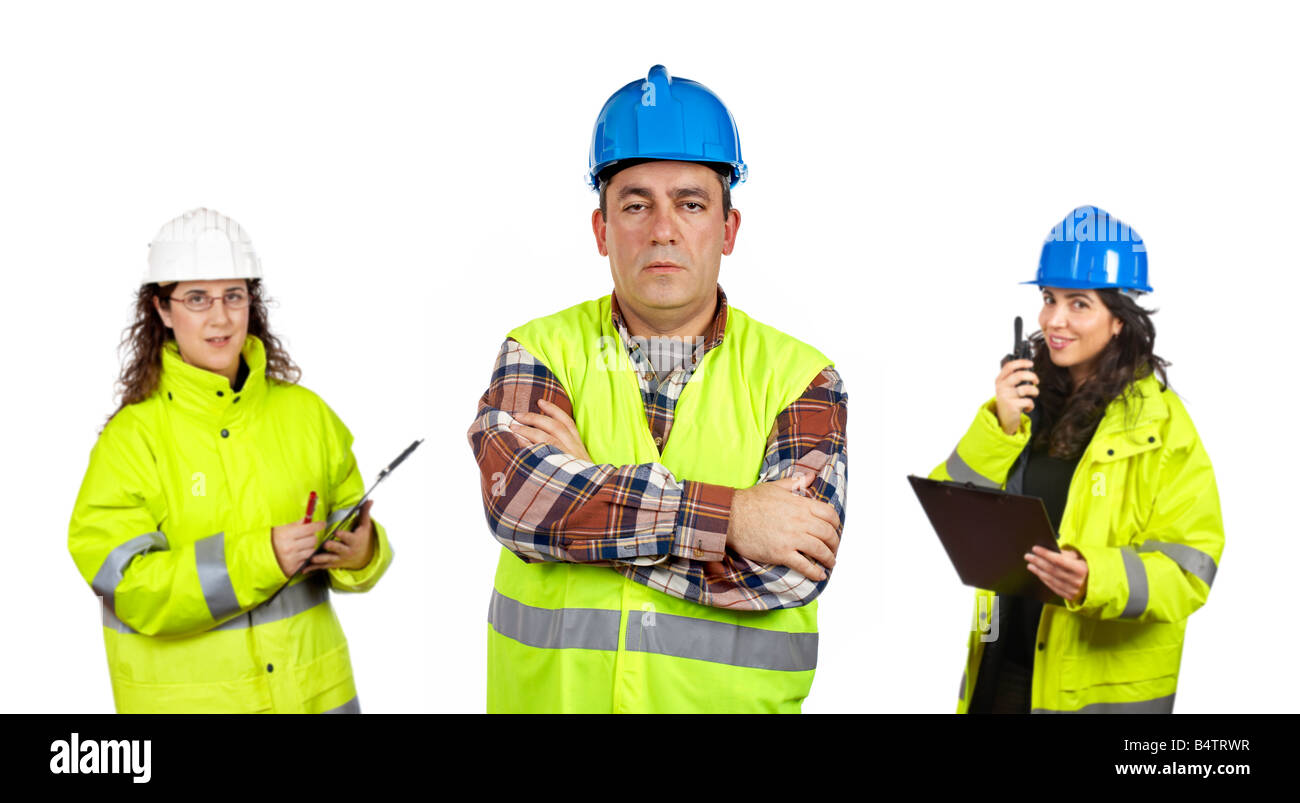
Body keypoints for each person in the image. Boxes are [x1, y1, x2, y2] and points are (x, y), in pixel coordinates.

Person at [467, 65, 849, 713]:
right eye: (636, 203)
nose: (663, 229)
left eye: (691, 203)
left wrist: (584, 497)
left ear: (728, 229)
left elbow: (789, 568)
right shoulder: (538, 352)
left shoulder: (803, 376)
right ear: (601, 229)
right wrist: (728, 518)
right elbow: (520, 501)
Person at [68, 208, 393, 713]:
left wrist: (363, 553)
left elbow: (352, 530)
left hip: (314, 697)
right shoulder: (131, 441)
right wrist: (261, 558)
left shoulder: (307, 415)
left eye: (233, 296)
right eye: (197, 298)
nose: (220, 318)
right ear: (163, 310)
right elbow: (127, 586)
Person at [930, 206, 1224, 713]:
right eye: (1048, 299)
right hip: (1002, 667)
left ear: (1119, 320)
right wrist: (999, 426)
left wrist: (1097, 577)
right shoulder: (1025, 404)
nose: (1053, 320)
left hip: (1088, 691)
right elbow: (952, 503)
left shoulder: (1162, 428)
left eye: (1079, 304)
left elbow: (1191, 570)